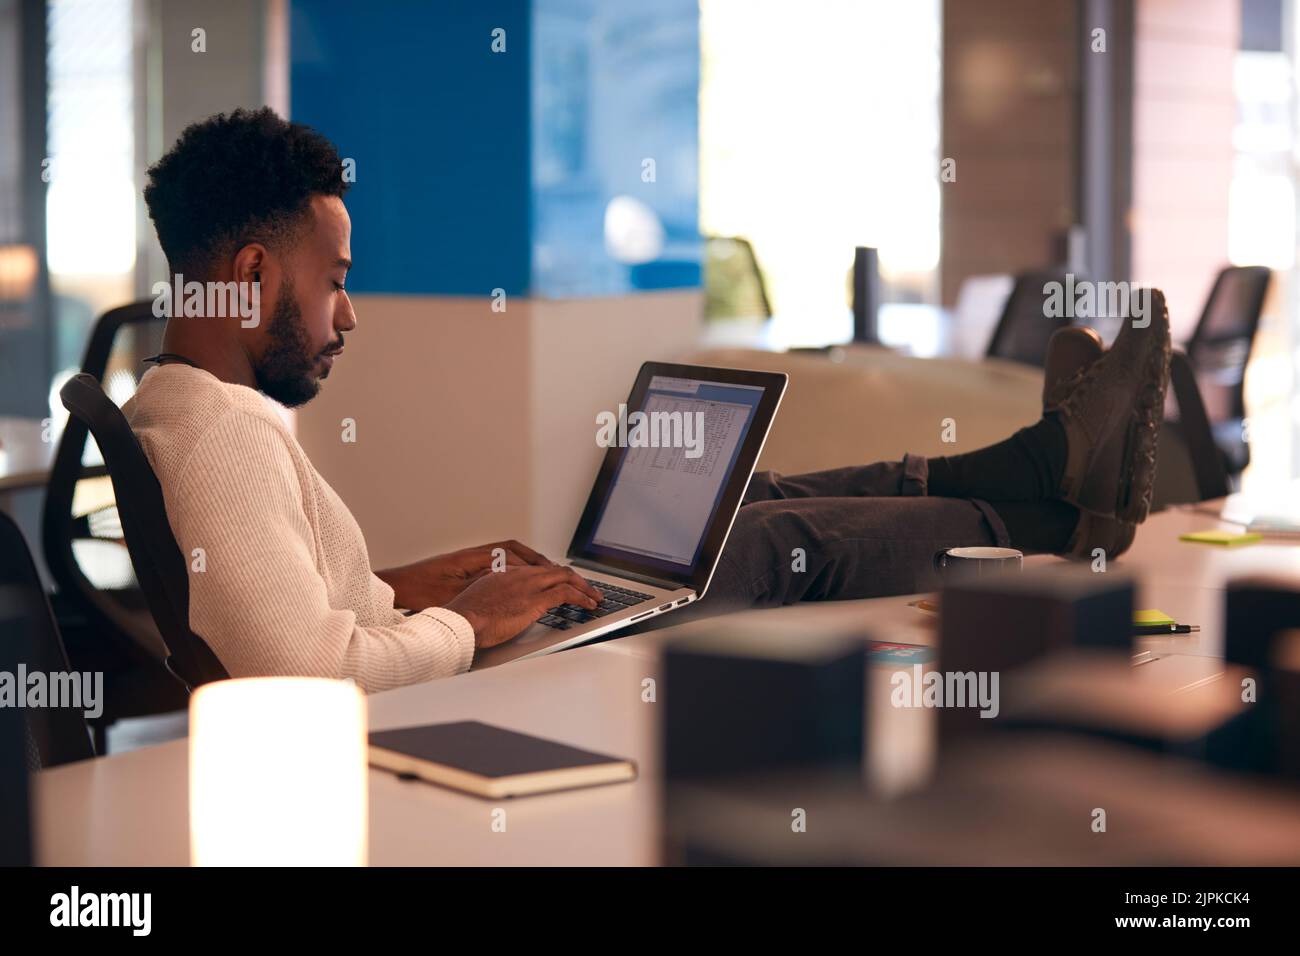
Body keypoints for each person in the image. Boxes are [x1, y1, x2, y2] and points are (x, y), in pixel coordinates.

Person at [125, 108, 1171, 692]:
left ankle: (1038, 471)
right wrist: (459, 619)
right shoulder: (224, 437)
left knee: (742, 501)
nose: (347, 315)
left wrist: (419, 581)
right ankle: (1043, 506)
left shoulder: (185, 408)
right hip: (438, 701)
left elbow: (295, 607)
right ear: (256, 275)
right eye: (336, 278)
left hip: (436, 652)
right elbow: (308, 674)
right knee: (763, 543)